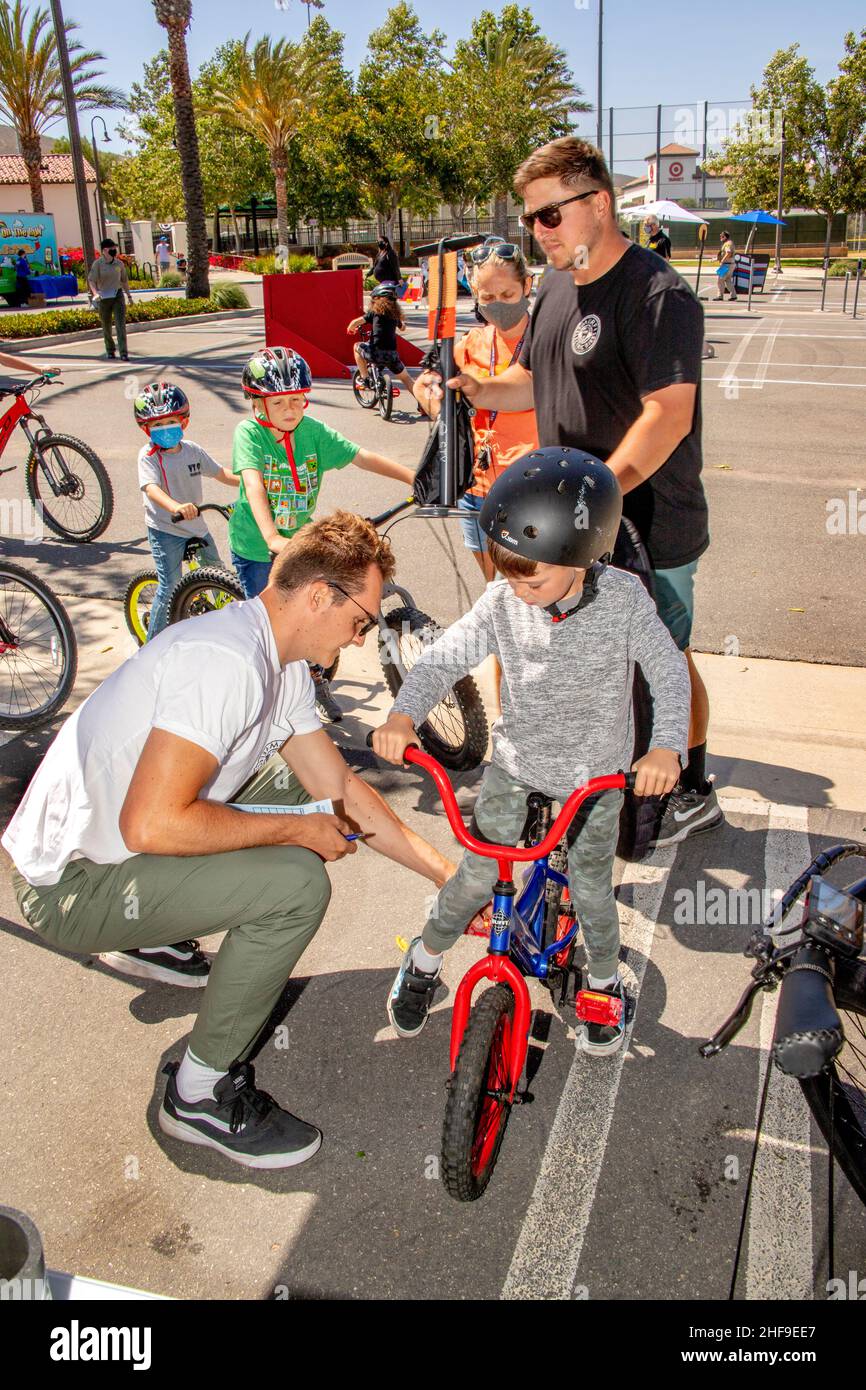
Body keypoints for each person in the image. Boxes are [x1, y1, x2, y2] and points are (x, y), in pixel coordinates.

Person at [3, 512, 455, 1172]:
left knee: (302, 786)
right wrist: (295, 831)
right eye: (361, 620)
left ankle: (152, 930)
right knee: (295, 886)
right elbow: (152, 826)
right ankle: (198, 1095)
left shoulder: (280, 661)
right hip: (69, 886)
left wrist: (449, 874)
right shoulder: (226, 662)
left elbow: (340, 793)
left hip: (106, 846)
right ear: (319, 595)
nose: (361, 640)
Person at [423, 136, 721, 849]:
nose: (538, 234)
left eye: (549, 216)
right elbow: (532, 381)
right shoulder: (555, 286)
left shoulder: (657, 293)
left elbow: (667, 414)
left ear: (599, 204)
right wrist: (475, 389)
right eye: (530, 220)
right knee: (585, 659)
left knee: (663, 657)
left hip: (648, 517)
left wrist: (597, 494)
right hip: (571, 523)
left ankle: (690, 787)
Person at [374, 450, 690, 1051]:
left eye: (532, 578)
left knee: (593, 888)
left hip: (596, 779)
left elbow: (669, 674)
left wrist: (666, 748)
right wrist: (402, 714)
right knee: (477, 875)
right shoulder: (502, 600)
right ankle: (423, 960)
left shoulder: (623, 600)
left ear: (583, 556)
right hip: (517, 766)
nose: (517, 590)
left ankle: (602, 983)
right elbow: (445, 655)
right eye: (507, 574)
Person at [228, 345, 416, 719]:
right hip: (256, 545)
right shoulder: (250, 434)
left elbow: (360, 456)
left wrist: (415, 478)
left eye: (297, 400)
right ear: (257, 404)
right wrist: (270, 538)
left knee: (323, 612)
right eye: (279, 402)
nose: (291, 410)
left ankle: (314, 679)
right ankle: (270, 702)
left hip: (302, 544)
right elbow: (254, 486)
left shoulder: (312, 432)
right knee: (274, 631)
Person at [414, 242, 538, 585]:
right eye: (487, 296)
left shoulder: (546, 340)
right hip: (476, 488)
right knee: (494, 589)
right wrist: (433, 396)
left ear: (527, 286)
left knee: (526, 588)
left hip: (529, 492)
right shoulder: (470, 343)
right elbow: (428, 387)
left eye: (507, 293)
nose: (497, 305)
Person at [134, 381, 239, 640]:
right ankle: (153, 644)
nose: (164, 429)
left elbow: (221, 473)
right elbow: (151, 489)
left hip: (195, 525)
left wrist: (250, 482)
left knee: (217, 571)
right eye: (156, 425)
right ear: (145, 428)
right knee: (170, 586)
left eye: (169, 421)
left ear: (184, 422)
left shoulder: (192, 451)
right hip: (165, 529)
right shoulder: (148, 456)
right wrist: (176, 506)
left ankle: (229, 625)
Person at [347, 284, 417, 400]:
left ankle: (365, 379)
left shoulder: (374, 312)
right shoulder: (395, 315)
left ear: (379, 299)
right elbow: (403, 327)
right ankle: (422, 403)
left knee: (356, 346)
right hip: (392, 355)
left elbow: (355, 322)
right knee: (406, 378)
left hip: (375, 353)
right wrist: (400, 324)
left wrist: (350, 329)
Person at [88, 238, 134, 360]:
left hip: (117, 295)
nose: (114, 250)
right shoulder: (97, 264)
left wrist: (129, 296)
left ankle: (123, 352)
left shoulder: (119, 264)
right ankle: (110, 350)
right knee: (106, 325)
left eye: (115, 248)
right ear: (105, 250)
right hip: (103, 297)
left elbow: (124, 280)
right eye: (112, 248)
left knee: (120, 324)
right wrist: (95, 293)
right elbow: (91, 280)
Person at [715, 230, 738, 301]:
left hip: (726, 265)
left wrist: (722, 260)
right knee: (728, 280)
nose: (720, 237)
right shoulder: (730, 243)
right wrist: (715, 259)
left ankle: (720, 296)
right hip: (731, 264)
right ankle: (733, 295)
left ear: (725, 237)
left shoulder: (727, 244)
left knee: (719, 280)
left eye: (722, 236)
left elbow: (728, 253)